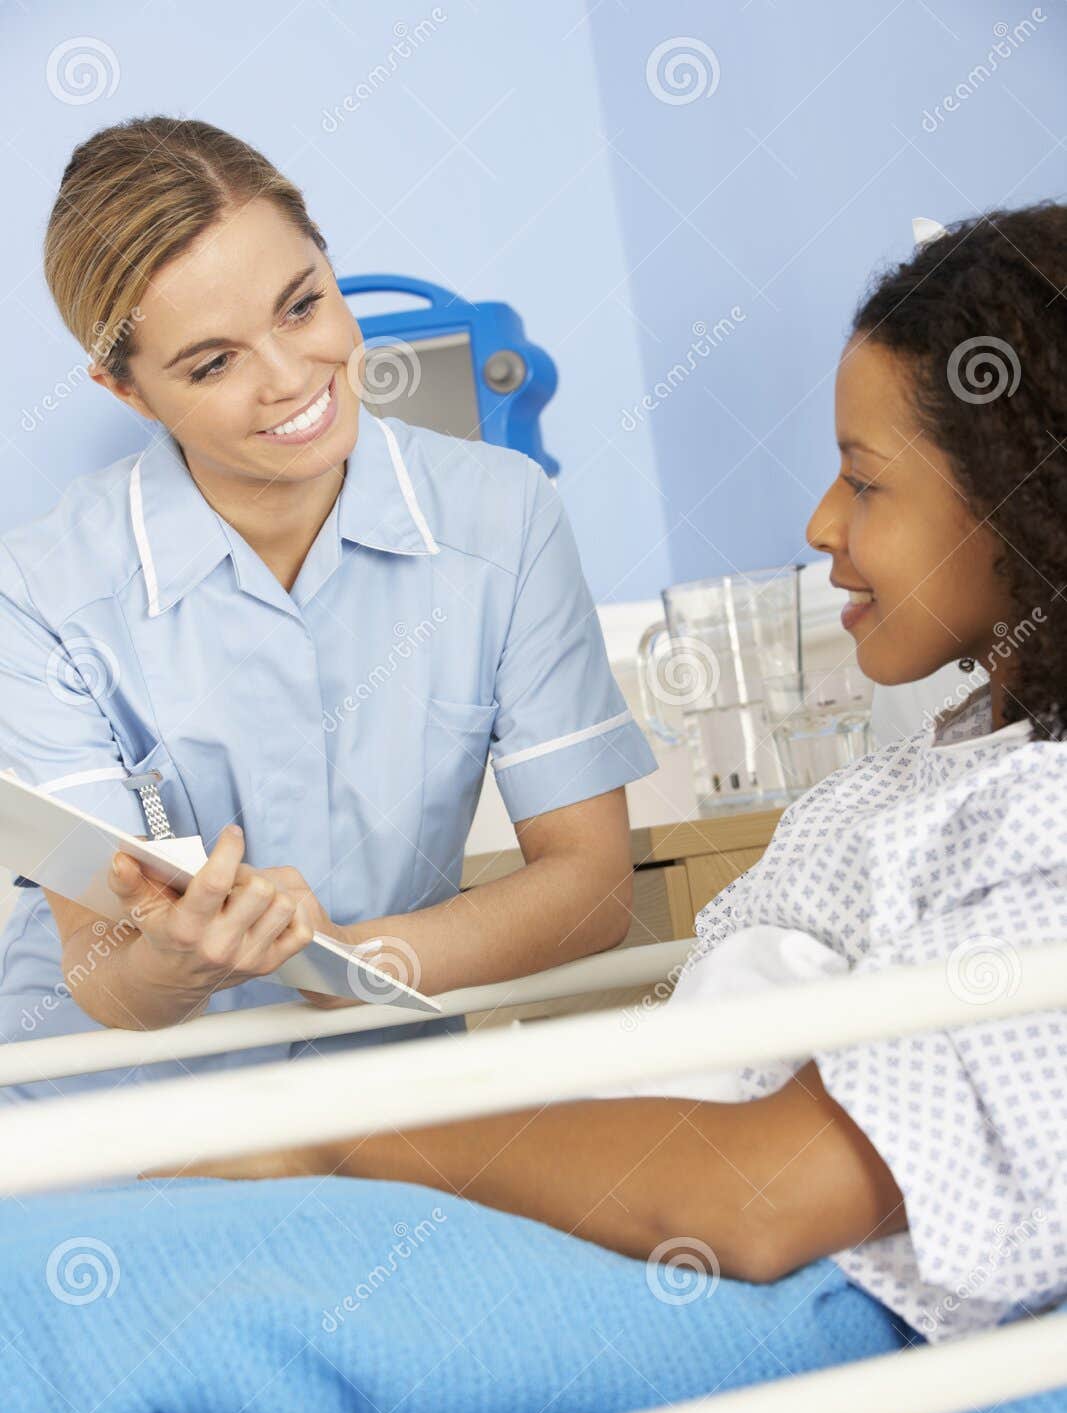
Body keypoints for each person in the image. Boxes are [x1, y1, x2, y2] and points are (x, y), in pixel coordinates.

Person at [221, 204, 1067, 1343]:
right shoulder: (943, 769)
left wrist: (332, 1136)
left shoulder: (1041, 825)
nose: (820, 522)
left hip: (729, 1288)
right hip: (637, 1218)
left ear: (1025, 499)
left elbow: (759, 1198)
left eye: (864, 482)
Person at [0, 117, 656, 1106]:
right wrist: (176, 960)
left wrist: (348, 960)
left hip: (382, 1109)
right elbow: (103, 973)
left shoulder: (502, 519)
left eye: (302, 306)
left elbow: (589, 884)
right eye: (212, 364)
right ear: (126, 391)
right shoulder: (41, 591)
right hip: (104, 1116)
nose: (289, 379)